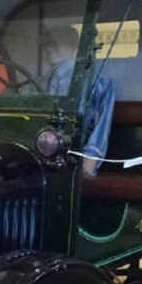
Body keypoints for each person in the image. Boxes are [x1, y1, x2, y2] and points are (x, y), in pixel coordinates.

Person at [41, 26, 116, 176]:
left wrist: (91, 156)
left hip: (74, 154)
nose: (48, 49)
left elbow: (102, 120)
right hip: (41, 150)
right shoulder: (39, 82)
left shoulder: (97, 81)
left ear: (72, 46)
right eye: (46, 44)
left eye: (54, 43)